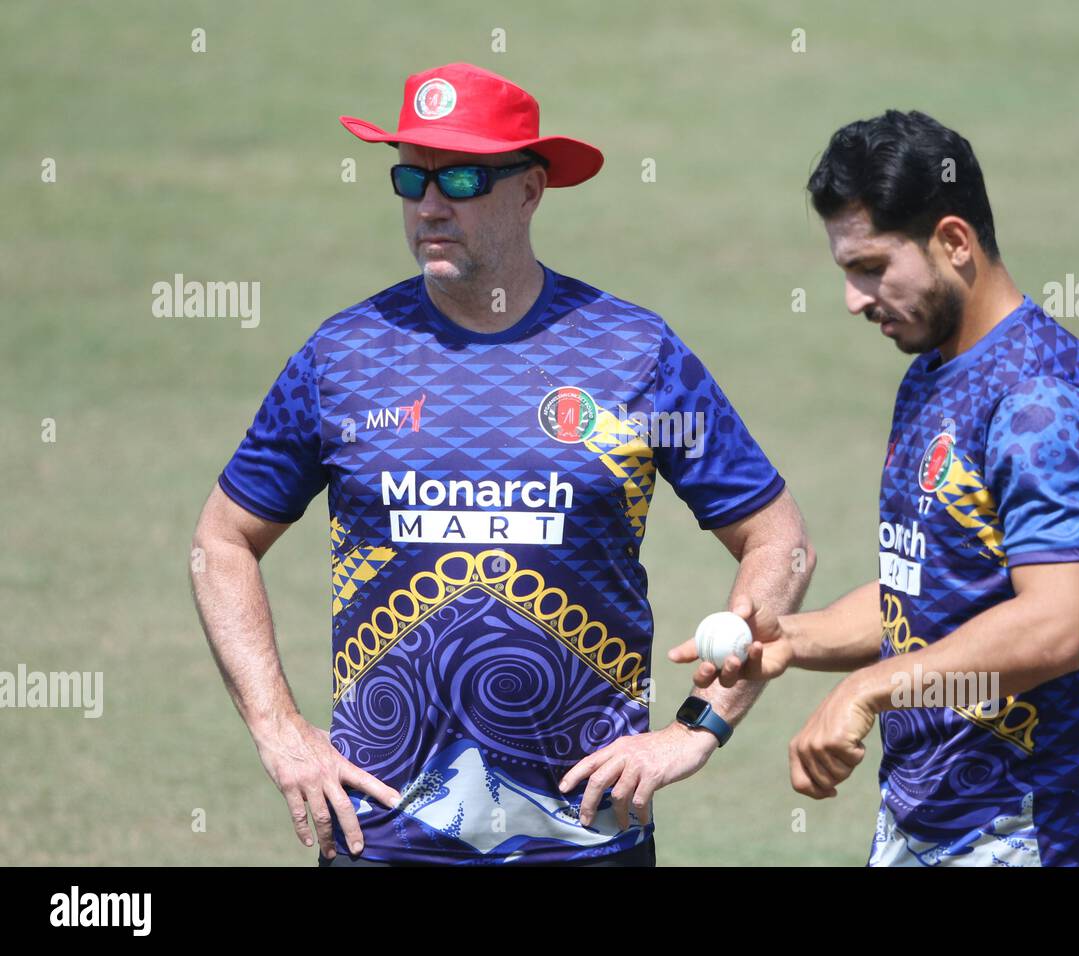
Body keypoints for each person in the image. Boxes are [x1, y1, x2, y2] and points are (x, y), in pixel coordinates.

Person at [190, 62, 812, 866]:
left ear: (531, 190)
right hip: (382, 839)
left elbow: (779, 539)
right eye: (410, 178)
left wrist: (698, 731)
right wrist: (279, 732)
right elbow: (222, 542)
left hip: (585, 840)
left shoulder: (635, 352)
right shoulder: (341, 356)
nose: (430, 204)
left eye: (462, 177)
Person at [672, 109, 1079, 866]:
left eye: (872, 267)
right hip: (927, 826)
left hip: (1026, 833)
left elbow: (1056, 624)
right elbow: (930, 593)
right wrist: (791, 640)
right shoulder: (936, 373)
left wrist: (869, 690)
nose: (855, 298)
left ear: (953, 242)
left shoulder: (1038, 401)